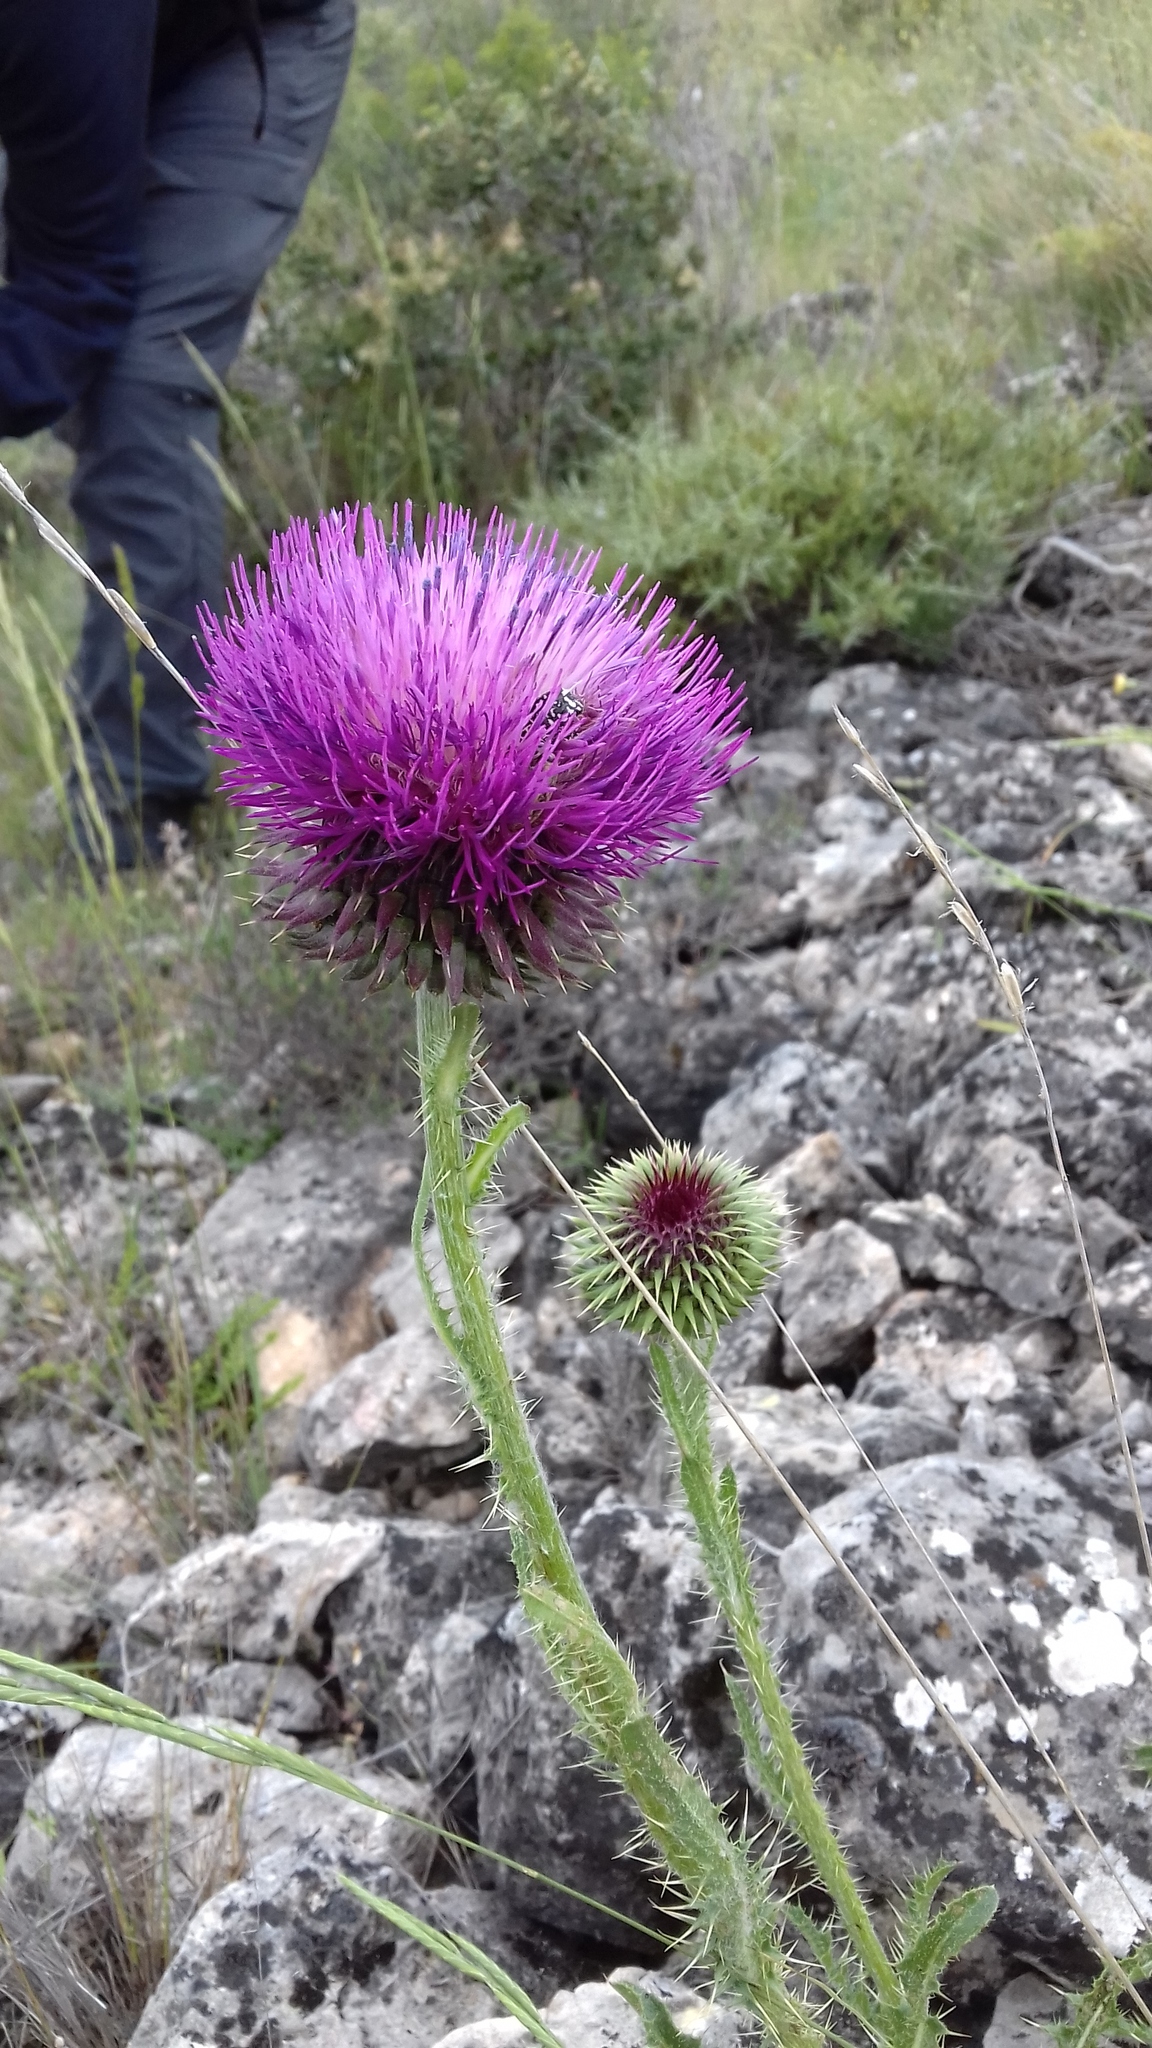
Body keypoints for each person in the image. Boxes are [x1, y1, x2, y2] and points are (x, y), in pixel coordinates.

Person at [0, 0, 356, 864]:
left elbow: (73, 281)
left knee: (142, 386)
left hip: (246, 42)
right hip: (100, 65)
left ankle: (143, 803)